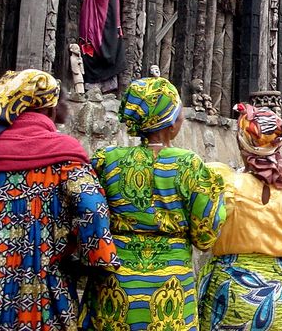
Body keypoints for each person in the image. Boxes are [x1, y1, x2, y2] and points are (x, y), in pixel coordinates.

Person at [0, 70, 118, 330]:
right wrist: (97, 263)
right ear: (50, 110)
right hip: (46, 291)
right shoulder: (66, 159)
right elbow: (92, 208)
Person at [80, 77, 226, 330]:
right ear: (170, 121)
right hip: (170, 287)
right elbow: (205, 236)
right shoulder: (189, 164)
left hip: (114, 282)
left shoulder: (106, 160)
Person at [199, 104, 282, 329]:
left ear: (241, 143)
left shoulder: (226, 185)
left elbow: (204, 230)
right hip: (274, 291)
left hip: (229, 288)